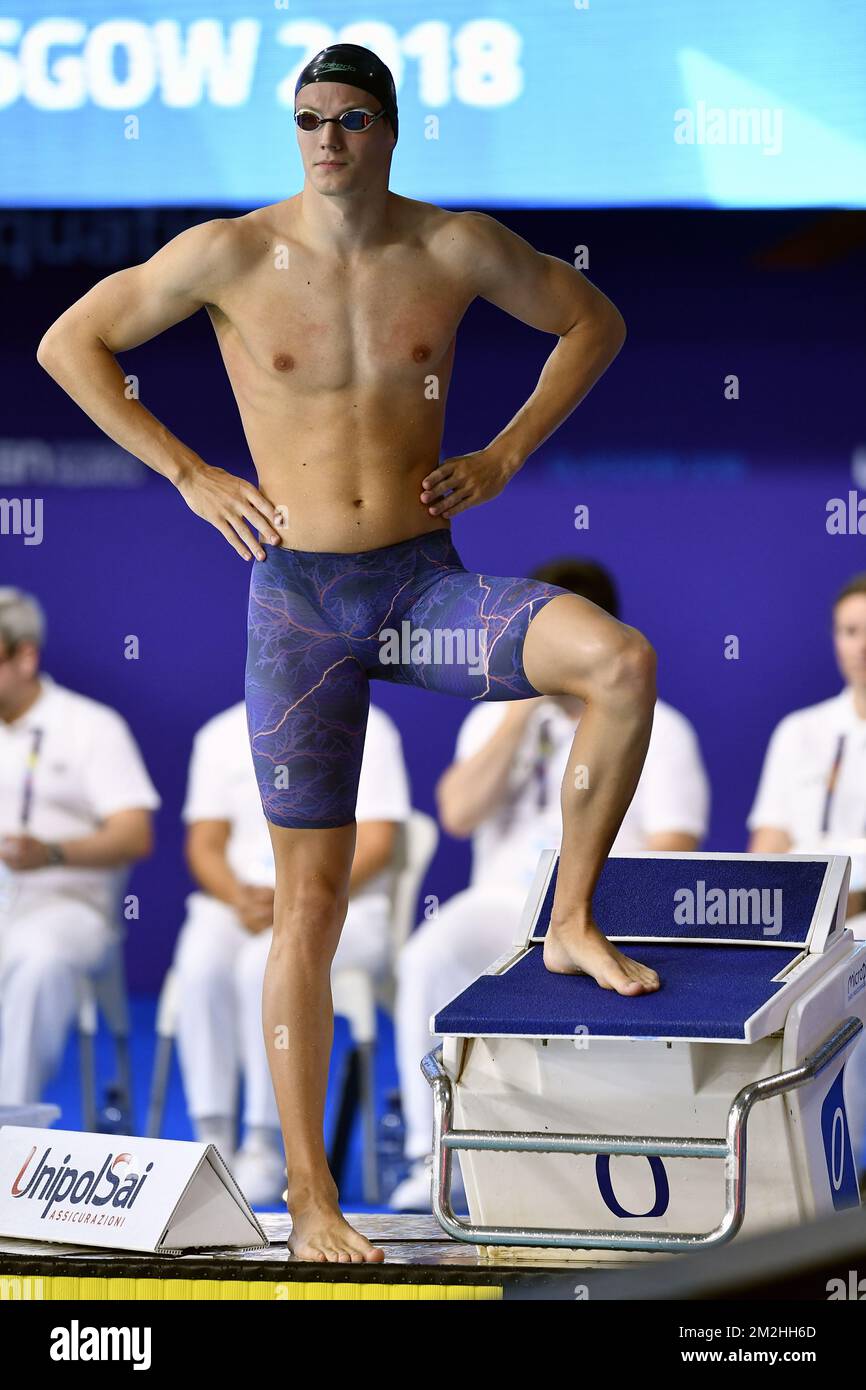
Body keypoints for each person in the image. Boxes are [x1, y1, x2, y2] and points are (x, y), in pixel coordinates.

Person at [36, 41, 659, 1262]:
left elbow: (592, 321)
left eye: (349, 117)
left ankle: (570, 915)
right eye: (308, 117)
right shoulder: (227, 252)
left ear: (388, 128)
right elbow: (74, 344)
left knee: (620, 664)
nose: (325, 137)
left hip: (421, 584)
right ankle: (312, 1201)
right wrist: (189, 472)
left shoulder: (453, 246)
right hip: (301, 610)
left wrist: (507, 452)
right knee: (306, 913)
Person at [391, 559, 709, 1210]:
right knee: (428, 955)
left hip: (604, 904)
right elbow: (455, 813)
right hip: (501, 903)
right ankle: (435, 1153)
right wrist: (518, 713)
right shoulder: (495, 717)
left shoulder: (662, 726)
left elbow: (677, 846)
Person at [174, 698, 410, 1205]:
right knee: (200, 963)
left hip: (339, 904)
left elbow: (378, 840)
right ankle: (210, 1139)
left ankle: (264, 1144)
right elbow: (205, 843)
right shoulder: (219, 732)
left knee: (259, 964)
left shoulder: (370, 726)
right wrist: (239, 896)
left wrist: (299, 898)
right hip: (245, 902)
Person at [0, 588, 159, 1104]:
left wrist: (50, 853)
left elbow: (135, 834)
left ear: (25, 656)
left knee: (38, 959)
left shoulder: (91, 727)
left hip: (68, 906)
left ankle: (9, 1130)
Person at [747, 570, 866, 1169]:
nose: (862, 646)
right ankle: (778, 1158)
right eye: (850, 631)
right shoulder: (801, 732)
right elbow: (768, 843)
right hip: (802, 915)